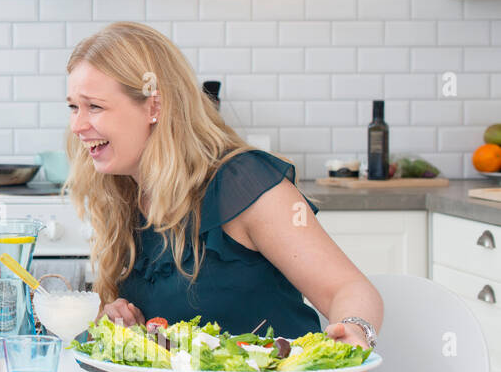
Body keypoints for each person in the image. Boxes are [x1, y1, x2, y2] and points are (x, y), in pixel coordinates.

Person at [64, 21, 383, 346]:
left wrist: (355, 331)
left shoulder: (242, 182)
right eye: (74, 107)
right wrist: (121, 320)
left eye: (95, 107)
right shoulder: (126, 195)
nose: (77, 125)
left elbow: (349, 288)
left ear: (153, 106)